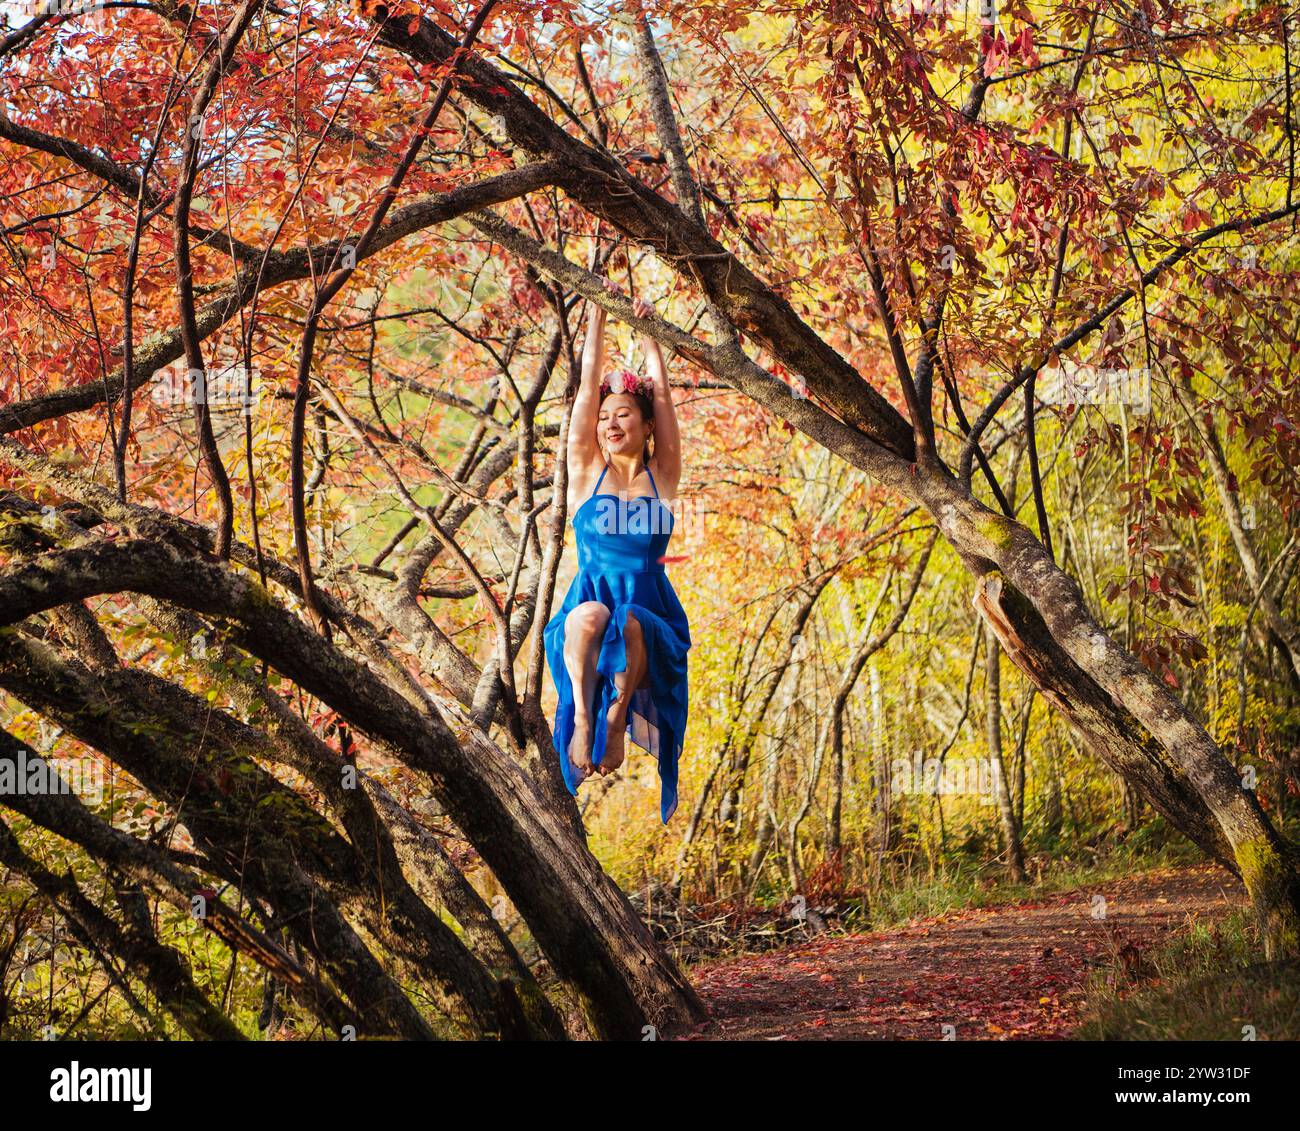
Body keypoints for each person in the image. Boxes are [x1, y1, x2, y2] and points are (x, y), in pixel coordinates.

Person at [541, 284, 690, 823]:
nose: (611, 423)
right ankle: (585, 716)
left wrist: (650, 332)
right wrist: (597, 313)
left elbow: (666, 398)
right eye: (607, 417)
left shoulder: (662, 478)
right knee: (591, 616)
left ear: (645, 427)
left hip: (648, 620)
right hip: (591, 606)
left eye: (625, 413)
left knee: (626, 619)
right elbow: (584, 392)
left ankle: (616, 718)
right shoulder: (585, 474)